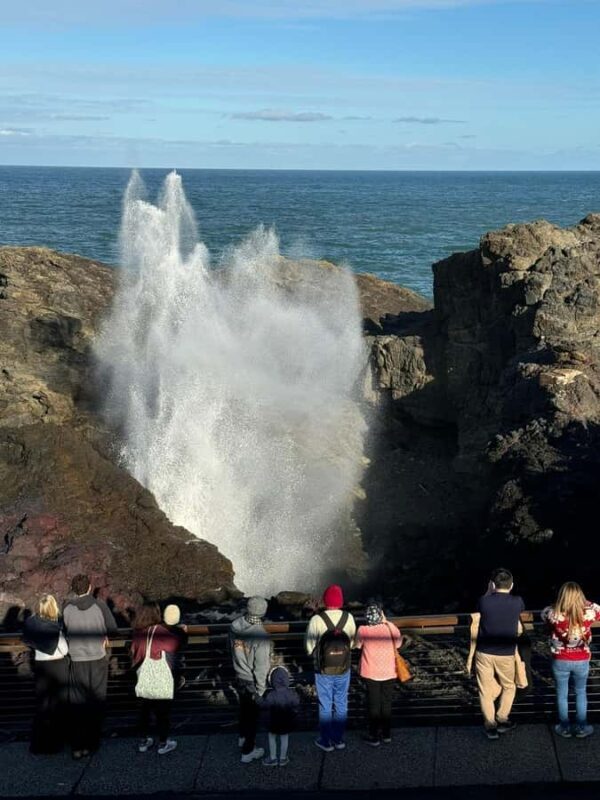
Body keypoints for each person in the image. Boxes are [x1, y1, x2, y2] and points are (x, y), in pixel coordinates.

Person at [63, 574, 117, 758]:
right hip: (98, 658)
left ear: (73, 588)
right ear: (89, 587)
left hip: (77, 659)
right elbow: (113, 629)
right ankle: (93, 742)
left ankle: (78, 745)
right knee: (97, 699)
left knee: (77, 702)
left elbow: (62, 630)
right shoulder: (100, 605)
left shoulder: (67, 607)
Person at [468, 568, 524, 740]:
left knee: (484, 691)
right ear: (512, 585)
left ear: (492, 584)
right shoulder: (518, 602)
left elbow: (482, 604)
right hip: (506, 653)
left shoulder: (484, 602)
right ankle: (502, 718)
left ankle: (490, 726)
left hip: (484, 652)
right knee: (509, 686)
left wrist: (488, 590)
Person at [542, 582, 600, 738]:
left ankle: (564, 727)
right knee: (581, 692)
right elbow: (597, 607)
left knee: (562, 694)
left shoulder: (553, 614)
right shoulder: (588, 614)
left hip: (560, 658)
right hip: (581, 658)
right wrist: (584, 602)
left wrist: (560, 603)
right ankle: (582, 727)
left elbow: (544, 613)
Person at [304, 584, 356, 752]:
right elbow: (353, 643)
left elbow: (309, 647)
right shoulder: (349, 618)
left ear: (325, 601)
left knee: (325, 704)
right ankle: (338, 739)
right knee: (341, 702)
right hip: (344, 667)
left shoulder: (316, 620)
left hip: (323, 670)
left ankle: (326, 741)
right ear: (341, 601)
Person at [131, 603, 181, 754]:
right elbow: (175, 645)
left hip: (143, 676)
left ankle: (143, 742)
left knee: (144, 711)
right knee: (162, 713)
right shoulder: (160, 632)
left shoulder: (138, 634)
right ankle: (163, 743)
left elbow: (134, 654)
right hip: (159, 677)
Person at [22, 594, 70, 754]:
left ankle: (39, 744)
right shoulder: (55, 627)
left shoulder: (32, 624)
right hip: (57, 666)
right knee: (57, 705)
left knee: (42, 706)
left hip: (40, 666)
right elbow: (64, 650)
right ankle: (55, 744)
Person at [230, 596, 272, 763]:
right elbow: (261, 667)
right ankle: (248, 751)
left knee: (243, 710)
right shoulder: (261, 635)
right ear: (263, 612)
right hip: (251, 681)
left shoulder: (234, 626)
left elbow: (230, 648)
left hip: (238, 674)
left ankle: (242, 737)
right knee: (252, 716)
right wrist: (261, 690)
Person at [356, 602, 401, 746]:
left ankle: (374, 735)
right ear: (381, 615)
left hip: (371, 672)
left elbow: (357, 645)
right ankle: (387, 734)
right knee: (386, 703)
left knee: (373, 704)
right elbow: (399, 644)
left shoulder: (363, 630)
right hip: (389, 671)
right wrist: (386, 621)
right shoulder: (390, 628)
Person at [260, 666, 300, 767]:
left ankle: (273, 758)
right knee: (284, 739)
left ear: (272, 680)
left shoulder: (270, 695)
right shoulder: (292, 693)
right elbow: (296, 703)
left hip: (273, 723)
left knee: (272, 738)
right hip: (286, 722)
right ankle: (283, 758)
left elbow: (265, 706)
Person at [162, 604, 188, 690]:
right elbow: (184, 644)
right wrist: (184, 631)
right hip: (174, 672)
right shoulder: (179, 633)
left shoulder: (158, 631)